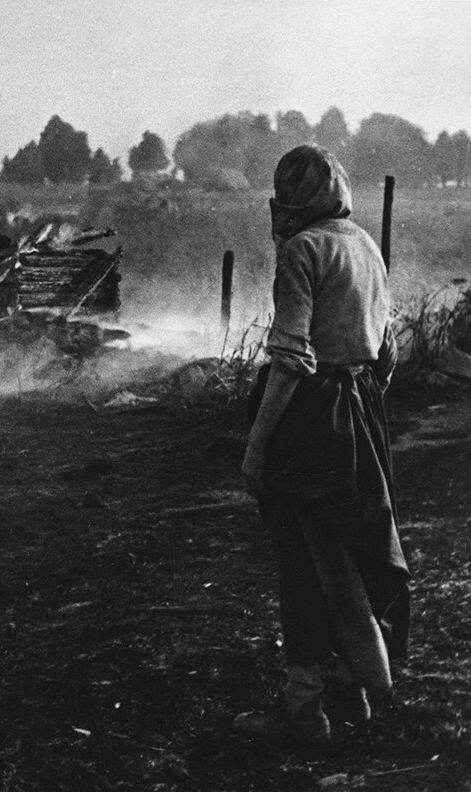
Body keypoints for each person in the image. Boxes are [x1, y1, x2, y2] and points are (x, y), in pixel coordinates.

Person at [234, 145, 410, 743]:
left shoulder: (302, 251)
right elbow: (385, 354)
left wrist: (258, 447)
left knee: (304, 560)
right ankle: (351, 691)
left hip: (310, 418)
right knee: (351, 552)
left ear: (294, 199)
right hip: (362, 413)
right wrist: (359, 398)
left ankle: (304, 709)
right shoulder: (363, 245)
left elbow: (289, 361)